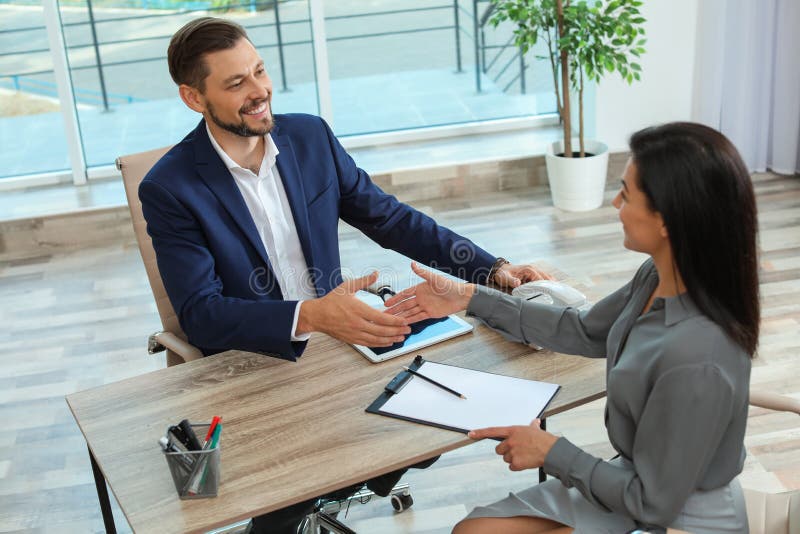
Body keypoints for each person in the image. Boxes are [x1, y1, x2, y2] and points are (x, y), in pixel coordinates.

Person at [139, 16, 548, 534]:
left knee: (444, 417)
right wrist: (312, 315)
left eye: (259, 72)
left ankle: (340, 489)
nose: (259, 91)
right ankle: (291, 513)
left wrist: (491, 268)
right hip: (257, 361)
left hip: (346, 343)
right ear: (194, 98)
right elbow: (201, 315)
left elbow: (390, 218)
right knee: (298, 486)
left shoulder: (309, 137)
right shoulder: (170, 187)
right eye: (235, 83)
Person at [385, 122, 758, 534]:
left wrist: (552, 453)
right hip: (634, 483)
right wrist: (470, 297)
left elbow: (654, 505)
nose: (615, 201)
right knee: (474, 529)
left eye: (626, 194)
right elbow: (584, 330)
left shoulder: (699, 355)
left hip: (678, 516)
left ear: (669, 220)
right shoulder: (656, 276)